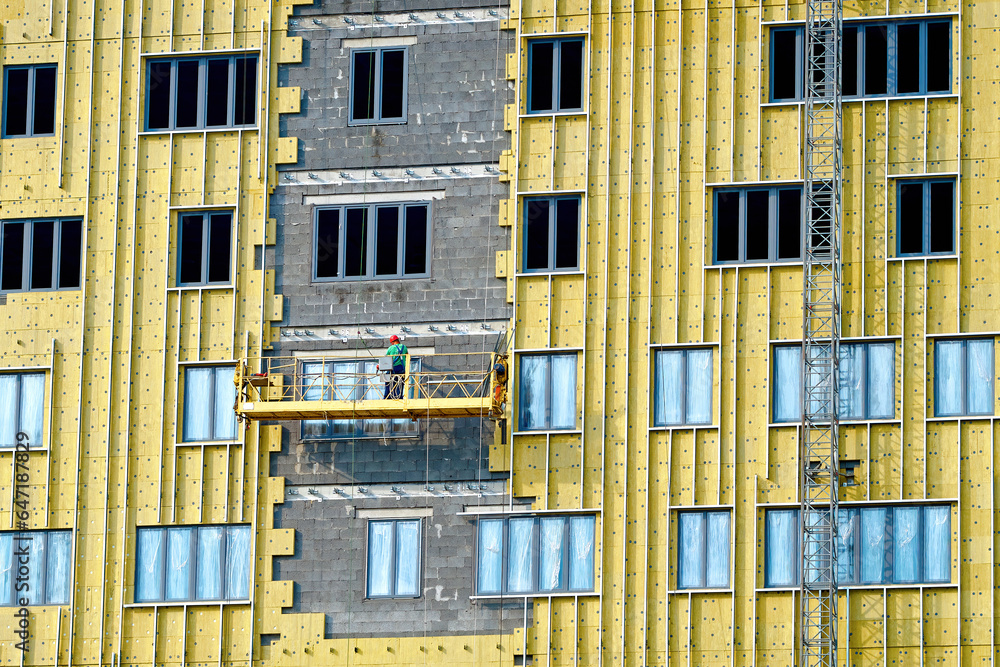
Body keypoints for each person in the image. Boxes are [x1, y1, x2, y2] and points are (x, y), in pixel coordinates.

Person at [384, 334, 409, 399]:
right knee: (400, 383)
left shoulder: (391, 348)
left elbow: (386, 359)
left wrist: (379, 366)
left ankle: (387, 397)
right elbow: (407, 356)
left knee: (388, 381)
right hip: (402, 368)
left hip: (393, 368)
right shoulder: (404, 347)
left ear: (392, 342)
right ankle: (399, 396)